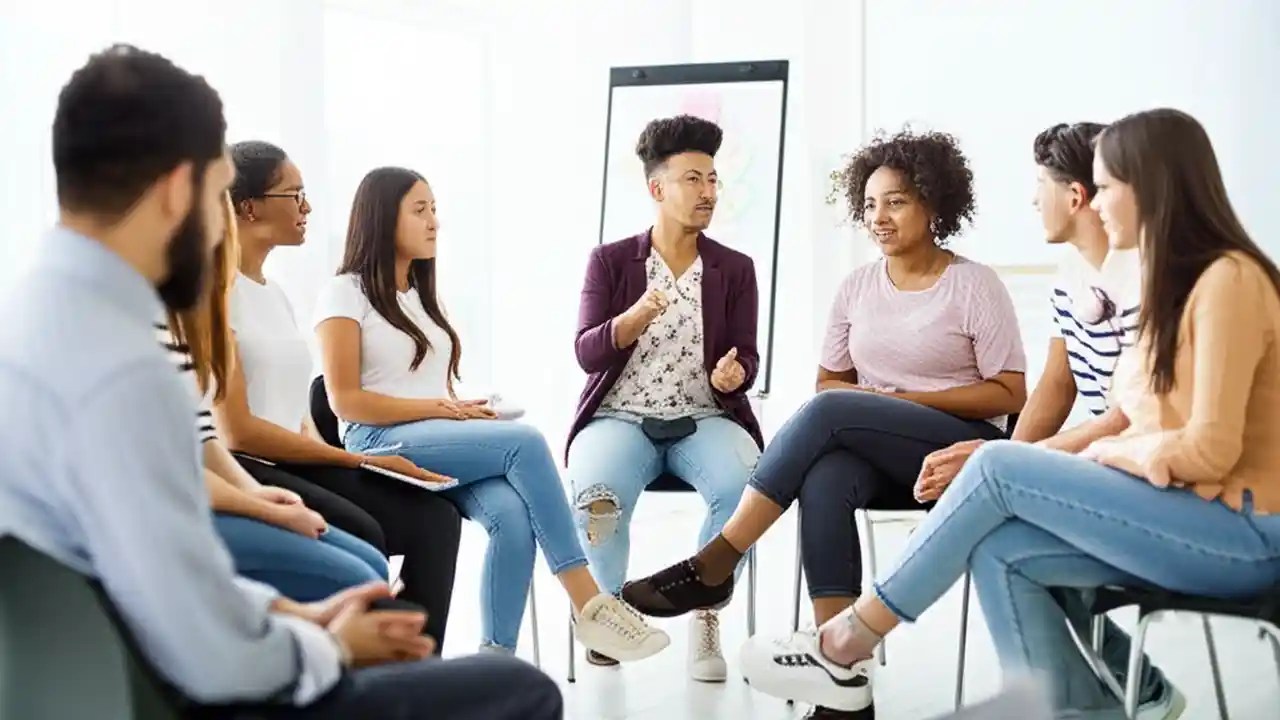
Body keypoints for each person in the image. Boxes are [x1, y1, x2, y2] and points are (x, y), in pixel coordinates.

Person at [0, 44, 561, 719]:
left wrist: (297, 615)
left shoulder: (37, 320)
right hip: (208, 694)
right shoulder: (123, 373)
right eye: (217, 195)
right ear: (178, 190)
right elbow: (213, 652)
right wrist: (332, 645)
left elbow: (173, 573)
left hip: (119, 670)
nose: (219, 226)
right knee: (525, 691)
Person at [738, 108, 1280, 720]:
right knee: (1000, 546)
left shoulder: (1227, 280)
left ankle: (844, 642)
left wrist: (1091, 462)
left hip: (1244, 532)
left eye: (1105, 188)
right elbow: (1129, 418)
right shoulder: (1167, 288)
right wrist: (1083, 459)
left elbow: (1206, 448)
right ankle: (1075, 708)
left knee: (995, 467)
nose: (1095, 203)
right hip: (1182, 511)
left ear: (1151, 188)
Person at [622, 129, 1026, 718]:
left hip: (962, 449)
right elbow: (831, 382)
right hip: (882, 451)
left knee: (830, 415)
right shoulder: (857, 287)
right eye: (869, 204)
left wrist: (902, 402)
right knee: (826, 476)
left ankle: (719, 558)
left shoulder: (974, 285)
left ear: (934, 203)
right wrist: (879, 407)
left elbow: (1010, 393)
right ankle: (842, 683)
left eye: (895, 202)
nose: (878, 218)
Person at [314, 165, 670, 661]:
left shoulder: (419, 295)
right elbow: (344, 401)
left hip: (430, 436)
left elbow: (424, 385)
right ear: (381, 217)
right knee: (525, 442)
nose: (434, 221)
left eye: (434, 209)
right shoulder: (344, 293)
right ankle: (589, 602)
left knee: (512, 517)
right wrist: (442, 410)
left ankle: (495, 659)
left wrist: (462, 410)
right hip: (376, 441)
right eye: (420, 210)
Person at [913, 122, 1177, 715]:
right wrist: (1006, 462)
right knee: (1003, 523)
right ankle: (1115, 692)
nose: (1034, 201)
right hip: (1109, 454)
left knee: (1005, 517)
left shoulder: (1149, 277)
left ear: (1076, 195)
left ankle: (858, 629)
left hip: (1148, 462)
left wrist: (1001, 461)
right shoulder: (1069, 276)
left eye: (1040, 185)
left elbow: (1127, 419)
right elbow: (1057, 386)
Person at [215, 139, 463, 647]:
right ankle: (368, 655)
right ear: (249, 207)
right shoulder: (218, 295)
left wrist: (360, 462)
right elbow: (238, 431)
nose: (306, 207)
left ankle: (416, 663)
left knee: (437, 519)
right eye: (294, 195)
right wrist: (357, 461)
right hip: (249, 465)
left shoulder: (274, 294)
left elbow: (297, 413)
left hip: (295, 459)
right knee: (364, 529)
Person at [567, 114, 762, 677]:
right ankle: (609, 615)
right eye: (693, 179)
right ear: (657, 189)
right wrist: (629, 321)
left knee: (749, 490)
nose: (708, 192)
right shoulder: (610, 262)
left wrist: (735, 375)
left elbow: (748, 357)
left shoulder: (735, 269)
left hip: (704, 417)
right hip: (619, 417)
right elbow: (586, 353)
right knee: (598, 497)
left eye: (713, 179)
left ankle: (705, 612)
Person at [165, 190, 387, 600]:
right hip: (180, 507)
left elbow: (202, 435)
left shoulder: (259, 296)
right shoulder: (198, 301)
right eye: (296, 195)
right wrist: (258, 504)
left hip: (236, 477)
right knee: (363, 564)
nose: (308, 207)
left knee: (376, 556)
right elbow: (183, 461)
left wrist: (256, 494)